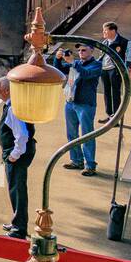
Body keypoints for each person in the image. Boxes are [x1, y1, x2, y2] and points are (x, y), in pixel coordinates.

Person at [50, 44, 104, 176]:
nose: (80, 52)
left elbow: (85, 74)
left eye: (84, 50)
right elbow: (59, 70)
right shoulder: (77, 63)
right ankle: (76, 160)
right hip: (71, 102)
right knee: (71, 134)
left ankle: (90, 165)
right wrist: (58, 59)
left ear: (92, 50)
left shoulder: (96, 65)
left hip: (85, 104)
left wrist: (73, 63)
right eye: (79, 50)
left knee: (87, 135)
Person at [0, 77, 36, 239]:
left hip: (17, 153)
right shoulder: (12, 105)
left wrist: (14, 155)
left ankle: (19, 229)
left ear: (6, 90)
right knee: (15, 188)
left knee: (17, 189)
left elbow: (22, 135)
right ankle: (16, 222)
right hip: (17, 152)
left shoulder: (13, 109)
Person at [99, 21, 130, 123]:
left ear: (113, 31)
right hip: (105, 70)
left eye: (105, 30)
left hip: (115, 70)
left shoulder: (123, 42)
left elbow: (128, 57)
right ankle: (109, 115)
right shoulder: (104, 43)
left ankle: (116, 118)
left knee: (115, 93)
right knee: (107, 93)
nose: (103, 32)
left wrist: (125, 68)